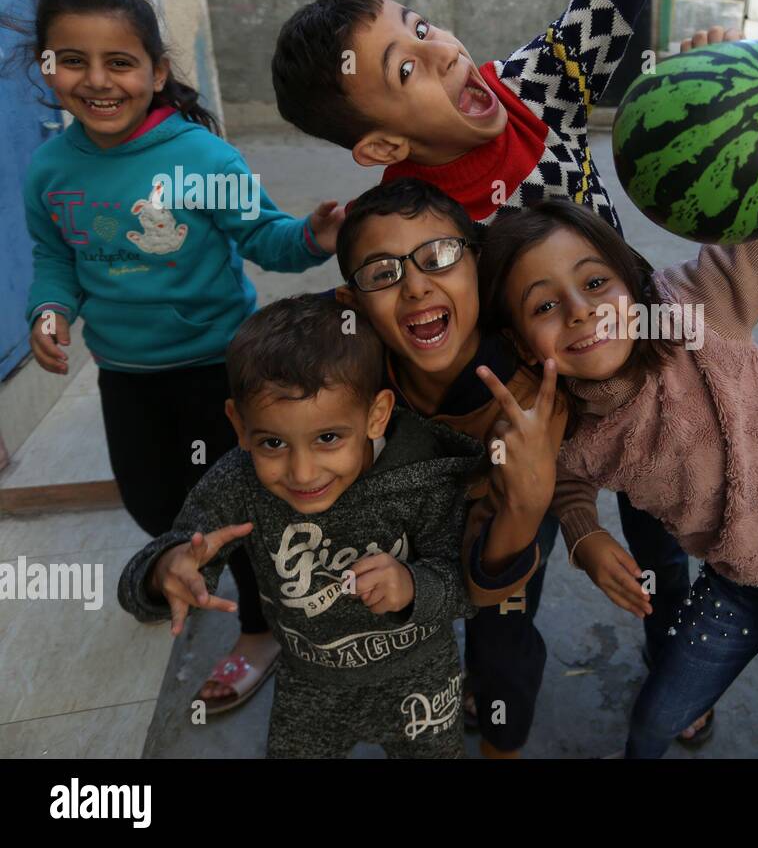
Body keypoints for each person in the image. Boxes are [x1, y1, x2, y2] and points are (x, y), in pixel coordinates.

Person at [272, 0, 709, 752]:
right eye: (405, 71)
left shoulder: (531, 90)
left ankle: (680, 668)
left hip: (635, 375)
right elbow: (389, 334)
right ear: (382, 147)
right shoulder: (405, 222)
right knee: (511, 578)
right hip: (524, 416)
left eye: (424, 26)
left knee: (662, 543)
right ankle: (498, 690)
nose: (440, 52)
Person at [21, 0, 345, 714]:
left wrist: (313, 236)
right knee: (155, 504)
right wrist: (50, 312)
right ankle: (187, 571)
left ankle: (262, 628)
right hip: (127, 374)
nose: (97, 80)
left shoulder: (203, 159)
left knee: (248, 509)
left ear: (156, 71)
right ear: (46, 67)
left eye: (120, 62)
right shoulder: (48, 171)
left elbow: (264, 238)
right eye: (72, 60)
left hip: (220, 370)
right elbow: (55, 261)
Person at [477, 195, 758, 759]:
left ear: (631, 279)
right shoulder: (562, 420)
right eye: (544, 307)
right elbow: (564, 477)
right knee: (654, 719)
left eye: (597, 282)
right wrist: (587, 536)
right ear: (519, 345)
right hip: (739, 579)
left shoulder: (695, 307)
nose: (581, 311)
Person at [117, 294, 555, 757]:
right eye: (272, 442)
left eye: (328, 438)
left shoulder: (425, 476)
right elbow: (155, 573)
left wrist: (411, 585)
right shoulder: (238, 480)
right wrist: (165, 569)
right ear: (239, 425)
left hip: (421, 680)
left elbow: (463, 590)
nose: (303, 472)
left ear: (376, 415)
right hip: (308, 686)